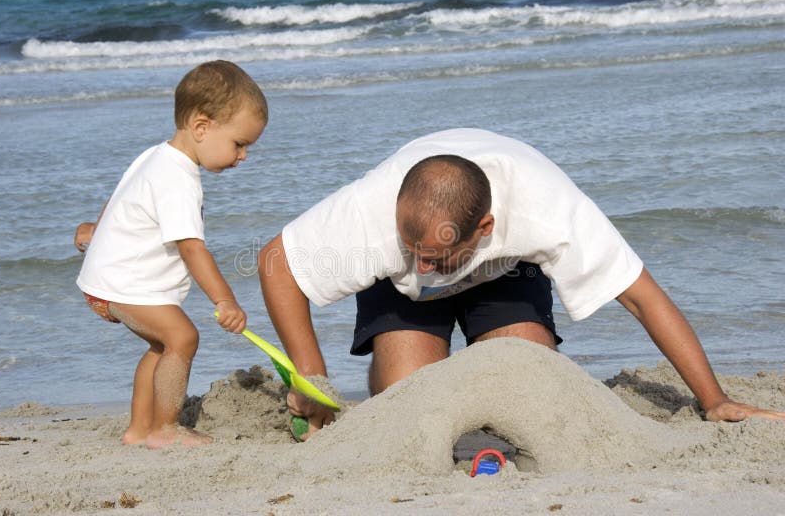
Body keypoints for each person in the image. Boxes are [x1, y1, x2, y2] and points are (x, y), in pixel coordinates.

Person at [259, 128, 785, 439]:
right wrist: (312, 381)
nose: (423, 265)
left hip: (505, 274)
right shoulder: (372, 212)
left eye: (435, 259)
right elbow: (276, 264)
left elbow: (642, 297)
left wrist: (713, 400)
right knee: (407, 408)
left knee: (529, 393)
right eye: (413, 252)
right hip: (401, 294)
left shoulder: (549, 208)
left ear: (485, 229)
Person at [74, 60, 268, 449]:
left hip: (108, 279)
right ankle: (164, 428)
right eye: (239, 144)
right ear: (201, 127)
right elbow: (192, 248)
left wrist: (97, 229)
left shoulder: (155, 156)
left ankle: (140, 429)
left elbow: (120, 194)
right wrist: (224, 299)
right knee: (183, 336)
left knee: (163, 346)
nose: (243, 156)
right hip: (123, 284)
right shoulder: (179, 180)